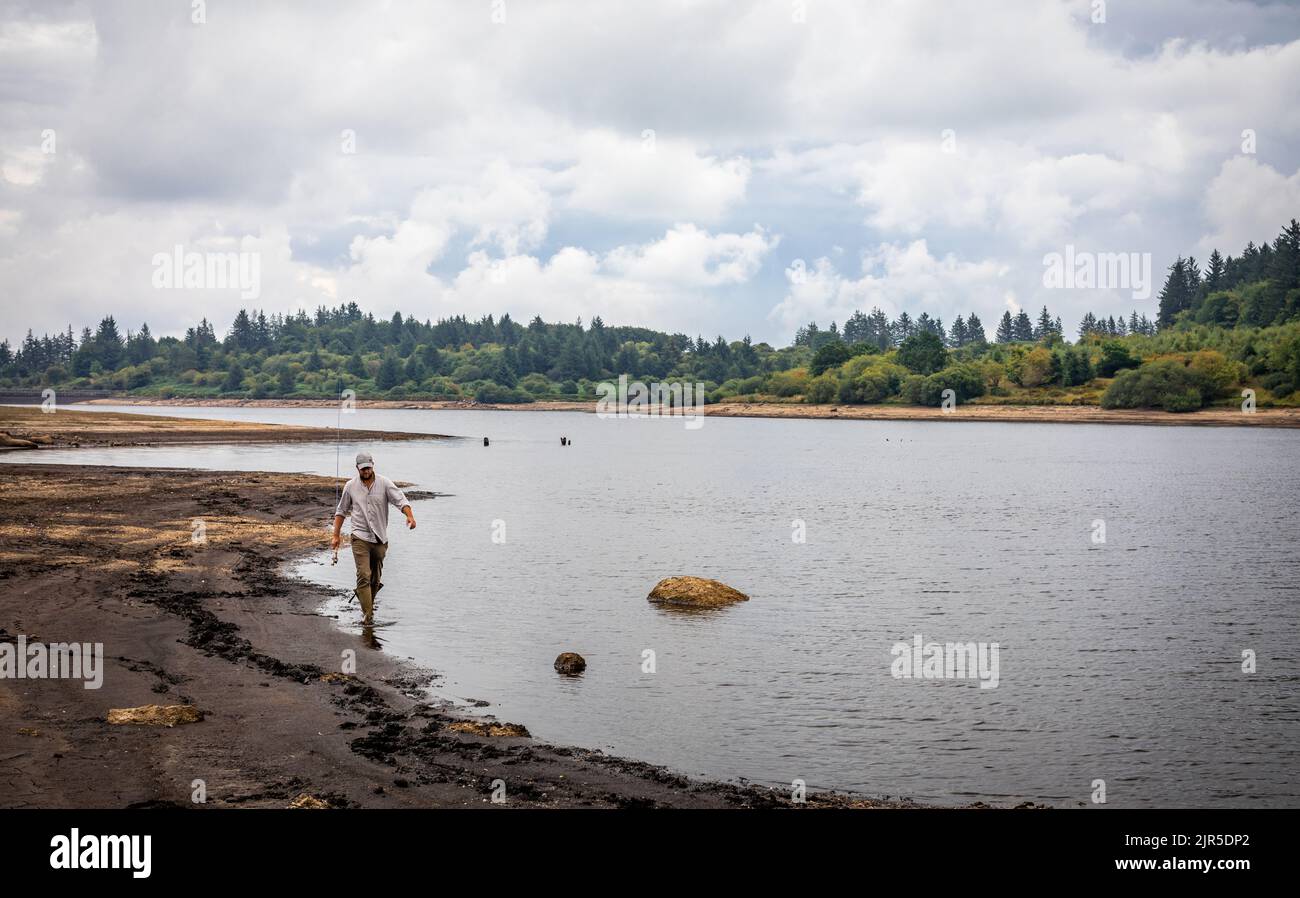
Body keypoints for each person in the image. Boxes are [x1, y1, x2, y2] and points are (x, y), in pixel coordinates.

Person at [331, 451, 415, 625]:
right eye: (363, 469)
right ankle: (368, 616)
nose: (366, 471)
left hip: (380, 539)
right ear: (357, 468)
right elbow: (341, 511)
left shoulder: (384, 483)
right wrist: (336, 535)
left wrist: (410, 516)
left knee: (375, 579)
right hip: (359, 536)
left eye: (368, 468)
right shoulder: (350, 486)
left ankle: (366, 599)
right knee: (363, 574)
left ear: (373, 465)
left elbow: (401, 500)